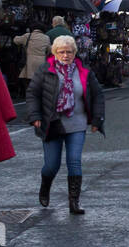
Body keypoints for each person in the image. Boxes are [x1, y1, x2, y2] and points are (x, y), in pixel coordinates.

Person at [26, 35, 104, 215]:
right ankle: (45, 186)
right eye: (61, 52)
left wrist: (97, 119)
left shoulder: (84, 70)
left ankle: (74, 202)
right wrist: (35, 116)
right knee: (51, 165)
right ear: (55, 53)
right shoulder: (45, 70)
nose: (66, 55)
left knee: (74, 161)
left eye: (69, 52)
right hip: (52, 123)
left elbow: (98, 94)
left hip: (77, 123)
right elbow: (33, 94)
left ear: (74, 52)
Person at [13, 25, 50, 100]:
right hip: (41, 61)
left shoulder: (28, 36)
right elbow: (49, 49)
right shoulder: (46, 38)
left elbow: (16, 40)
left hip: (29, 61)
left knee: (28, 80)